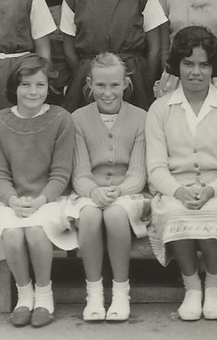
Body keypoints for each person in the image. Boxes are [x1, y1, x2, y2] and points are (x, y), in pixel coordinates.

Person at [145, 26, 217, 321]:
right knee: (176, 213)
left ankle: (214, 285)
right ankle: (191, 287)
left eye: (204, 65)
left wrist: (211, 190)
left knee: (212, 212)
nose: (196, 72)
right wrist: (178, 191)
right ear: (177, 66)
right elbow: (156, 168)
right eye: (188, 64)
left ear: (213, 67)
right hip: (173, 189)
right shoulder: (160, 109)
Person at [0, 55, 77, 328]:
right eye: (25, 85)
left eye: (40, 85)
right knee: (11, 234)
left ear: (49, 87)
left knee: (36, 232)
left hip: (51, 199)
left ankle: (44, 295)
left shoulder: (61, 119)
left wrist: (39, 200)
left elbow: (61, 173)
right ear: (15, 87)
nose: (33, 92)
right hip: (12, 201)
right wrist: (12, 200)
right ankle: (24, 295)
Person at [65, 54, 150, 322]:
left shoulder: (141, 118)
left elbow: (138, 174)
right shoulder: (78, 119)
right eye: (100, 85)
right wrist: (93, 192)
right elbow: (79, 173)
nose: (108, 93)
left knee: (114, 214)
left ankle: (121, 291)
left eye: (115, 85)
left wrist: (118, 192)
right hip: (89, 192)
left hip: (128, 193)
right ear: (89, 84)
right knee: (90, 215)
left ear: (126, 83)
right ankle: (94, 293)